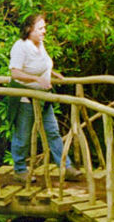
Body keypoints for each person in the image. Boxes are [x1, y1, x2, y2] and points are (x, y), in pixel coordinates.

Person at [8, 13, 82, 183]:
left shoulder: (40, 44)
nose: (44, 31)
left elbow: (42, 64)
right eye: (40, 28)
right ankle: (19, 170)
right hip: (25, 99)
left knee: (53, 132)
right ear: (29, 29)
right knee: (23, 135)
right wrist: (36, 79)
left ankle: (66, 167)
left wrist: (53, 73)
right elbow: (15, 73)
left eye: (44, 28)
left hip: (44, 98)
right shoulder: (20, 47)